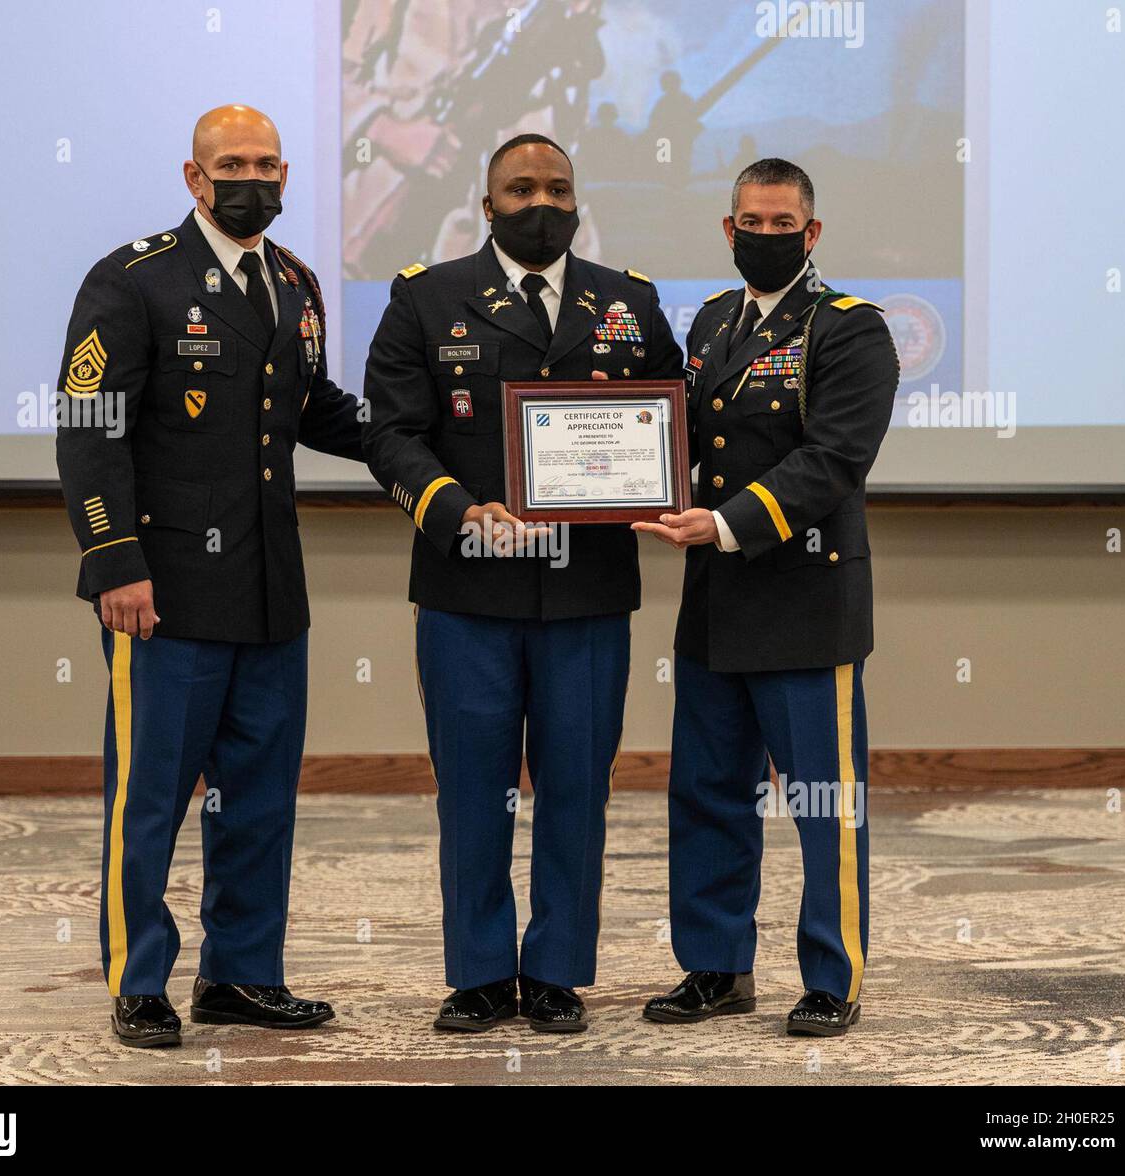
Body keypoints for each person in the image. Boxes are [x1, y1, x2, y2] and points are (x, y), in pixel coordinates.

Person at [55, 104, 363, 1048]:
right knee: (149, 797)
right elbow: (89, 429)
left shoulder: (296, 281)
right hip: (164, 593)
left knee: (261, 799)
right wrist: (114, 561)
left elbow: (314, 409)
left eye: (270, 164)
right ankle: (138, 980)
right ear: (194, 179)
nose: (254, 180)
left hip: (271, 587)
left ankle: (242, 975)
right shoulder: (132, 278)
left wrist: (430, 451)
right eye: (233, 164)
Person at [362, 133, 683, 1032]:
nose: (540, 202)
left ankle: (554, 972)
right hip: (469, 592)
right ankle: (474, 972)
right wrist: (457, 508)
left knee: (577, 787)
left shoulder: (629, 302)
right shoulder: (426, 298)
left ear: (577, 201)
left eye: (557, 187)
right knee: (472, 788)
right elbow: (392, 434)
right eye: (520, 188)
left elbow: (669, 423)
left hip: (587, 594)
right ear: (487, 201)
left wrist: (660, 494)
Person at [634, 158, 899, 1037]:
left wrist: (726, 524)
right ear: (727, 227)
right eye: (751, 220)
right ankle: (715, 967)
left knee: (823, 804)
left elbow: (832, 461)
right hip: (714, 604)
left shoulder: (851, 330)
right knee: (707, 794)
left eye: (783, 224)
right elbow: (673, 432)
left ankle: (833, 976)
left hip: (802, 603)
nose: (765, 235)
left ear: (812, 233)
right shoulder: (712, 322)